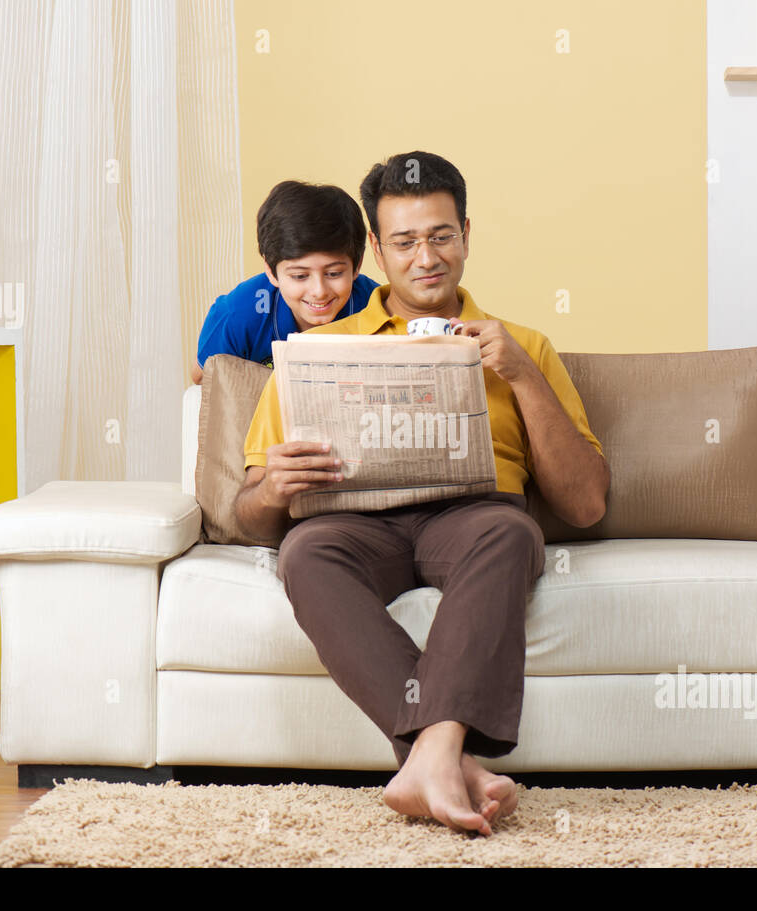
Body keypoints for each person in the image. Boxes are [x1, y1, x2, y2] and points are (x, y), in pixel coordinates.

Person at [234, 151, 609, 837]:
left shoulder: (524, 345)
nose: (425, 257)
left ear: (467, 232)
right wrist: (272, 490)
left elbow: (585, 504)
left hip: (473, 519)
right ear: (376, 247)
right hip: (354, 521)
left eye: (440, 235)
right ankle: (446, 761)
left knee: (510, 531)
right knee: (306, 552)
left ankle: (430, 760)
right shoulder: (319, 348)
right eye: (404, 241)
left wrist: (522, 377)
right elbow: (247, 513)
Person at [190, 180, 380, 385]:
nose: (319, 291)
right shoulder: (238, 313)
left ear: (357, 266)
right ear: (271, 272)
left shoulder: (377, 306)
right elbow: (201, 377)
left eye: (333, 273)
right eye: (300, 276)